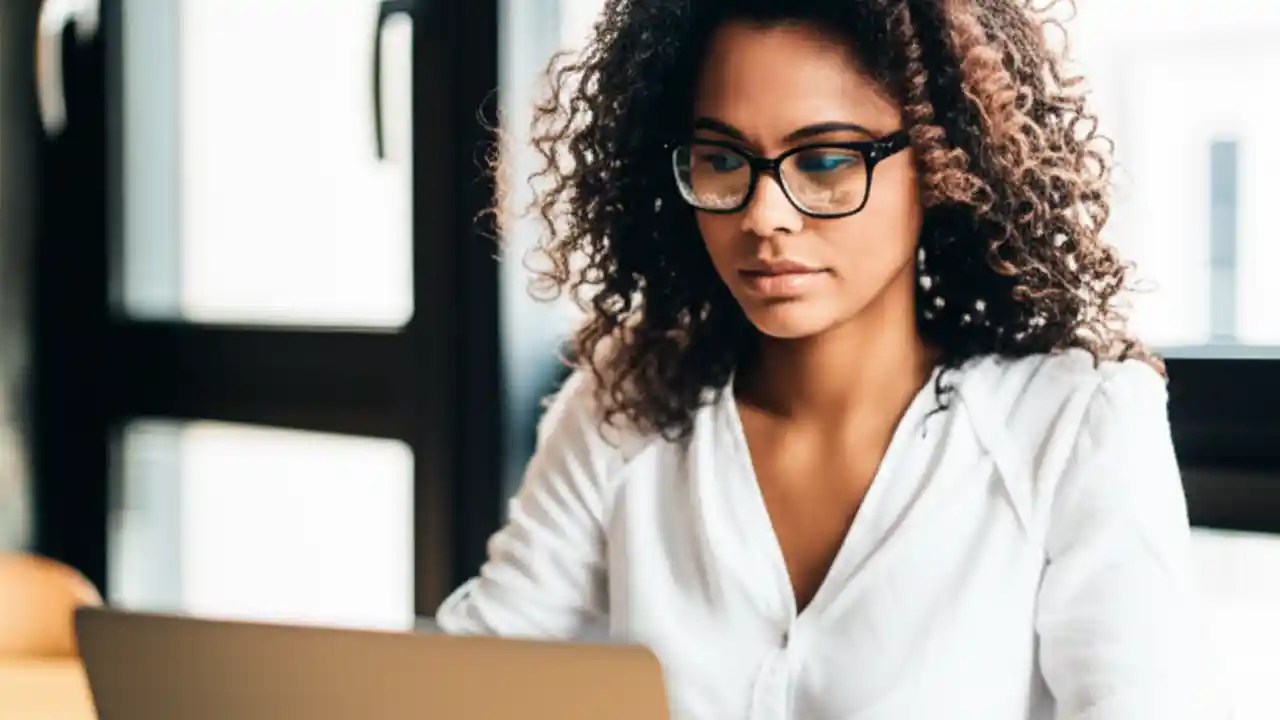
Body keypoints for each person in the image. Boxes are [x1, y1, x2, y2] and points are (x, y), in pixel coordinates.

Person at [437, 1, 1219, 717]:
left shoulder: (1073, 429)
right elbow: (469, 681)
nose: (763, 216)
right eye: (722, 159)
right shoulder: (622, 408)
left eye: (824, 161)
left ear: (943, 161)